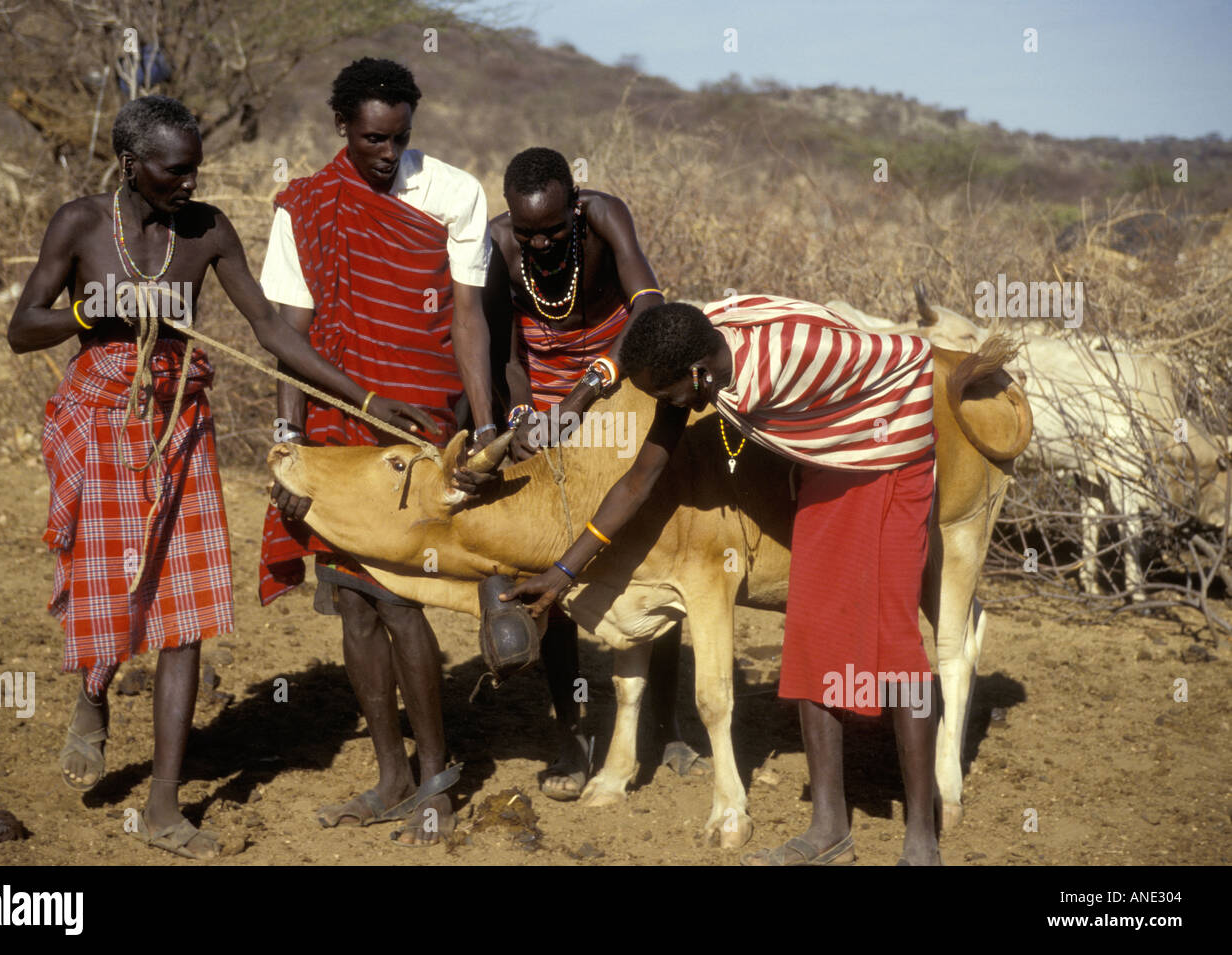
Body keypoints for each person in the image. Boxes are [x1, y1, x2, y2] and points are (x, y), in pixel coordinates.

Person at [9, 95, 379, 860]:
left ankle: (165, 804)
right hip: (103, 415)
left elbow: (272, 329)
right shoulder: (81, 224)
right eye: (174, 170)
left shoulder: (206, 230)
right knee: (112, 585)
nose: (187, 182)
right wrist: (91, 309)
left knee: (183, 611)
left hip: (181, 420)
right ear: (130, 164)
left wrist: (363, 395)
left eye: (194, 169)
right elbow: (22, 327)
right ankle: (92, 693)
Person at [504, 296, 943, 866]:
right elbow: (641, 478)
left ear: (697, 375)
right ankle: (830, 827)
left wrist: (852, 433)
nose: (667, 409)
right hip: (832, 463)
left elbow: (912, 357)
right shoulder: (694, 354)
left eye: (666, 398)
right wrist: (562, 573)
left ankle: (922, 839)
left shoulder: (786, 357)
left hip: (890, 455)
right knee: (811, 639)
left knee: (894, 647)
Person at [260, 57, 491, 846]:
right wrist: (289, 446)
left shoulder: (456, 193)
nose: (386, 154)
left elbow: (468, 317)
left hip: (417, 425)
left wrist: (482, 422)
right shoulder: (306, 205)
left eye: (398, 138)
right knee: (351, 601)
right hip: (334, 425)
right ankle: (391, 772)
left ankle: (436, 775)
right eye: (370, 139)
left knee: (398, 595)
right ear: (341, 129)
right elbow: (291, 334)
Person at [473, 147, 705, 801]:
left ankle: (671, 723)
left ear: (575, 207)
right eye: (528, 231)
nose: (540, 242)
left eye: (552, 229)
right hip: (543, 400)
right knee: (550, 560)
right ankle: (571, 735)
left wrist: (589, 389)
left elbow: (648, 305)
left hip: (620, 381)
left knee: (648, 547)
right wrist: (521, 415)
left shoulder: (604, 218)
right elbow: (500, 343)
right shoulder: (497, 243)